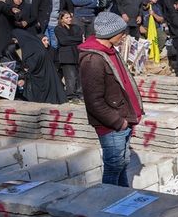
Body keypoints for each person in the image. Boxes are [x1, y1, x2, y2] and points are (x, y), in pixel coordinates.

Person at [79, 12, 145, 186]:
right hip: (112, 125)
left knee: (121, 164)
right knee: (113, 166)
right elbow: (94, 101)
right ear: (110, 34)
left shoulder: (109, 52)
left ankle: (122, 198)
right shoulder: (93, 59)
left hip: (123, 118)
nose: (124, 36)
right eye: (121, 33)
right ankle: (108, 201)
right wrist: (118, 122)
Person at [54, 11, 84, 101]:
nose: (69, 19)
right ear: (61, 19)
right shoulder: (58, 28)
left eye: (70, 17)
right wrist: (76, 40)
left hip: (77, 53)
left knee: (79, 76)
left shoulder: (76, 27)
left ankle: (80, 93)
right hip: (67, 55)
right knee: (70, 77)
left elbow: (81, 39)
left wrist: (71, 39)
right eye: (66, 17)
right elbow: (63, 41)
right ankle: (71, 94)